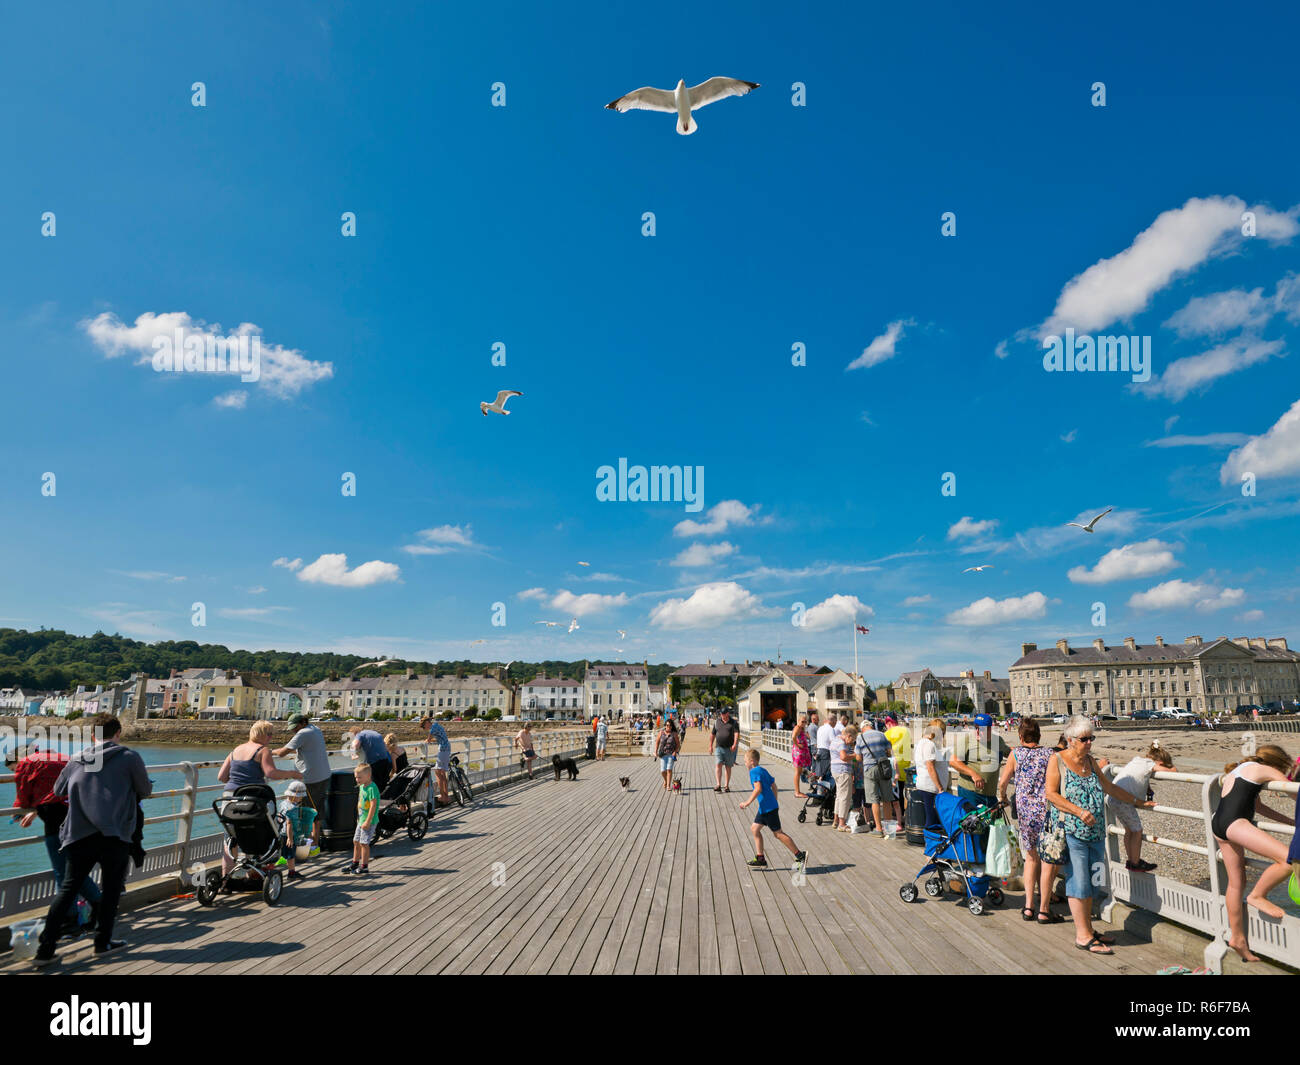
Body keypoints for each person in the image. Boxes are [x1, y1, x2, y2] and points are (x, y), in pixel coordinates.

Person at [33, 715, 152, 967]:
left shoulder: (77, 758)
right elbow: (145, 790)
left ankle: (45, 950)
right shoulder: (129, 757)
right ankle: (102, 943)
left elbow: (58, 791)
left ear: (92, 735)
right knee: (110, 890)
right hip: (115, 833)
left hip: (79, 834)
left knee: (68, 888)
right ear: (118, 732)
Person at [1045, 716, 1152, 956]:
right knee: (1079, 881)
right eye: (1084, 739)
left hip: (1095, 833)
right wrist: (1079, 812)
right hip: (1072, 831)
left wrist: (1138, 802)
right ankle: (1082, 936)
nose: (1089, 743)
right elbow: (1051, 794)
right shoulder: (1058, 760)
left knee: (1093, 881)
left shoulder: (1091, 762)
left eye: (1091, 738)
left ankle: (1089, 929)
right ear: (1071, 741)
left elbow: (1110, 788)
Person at [1210, 744, 1296, 962]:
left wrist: (1290, 821)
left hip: (1219, 825)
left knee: (1235, 883)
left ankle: (1237, 939)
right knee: (1287, 860)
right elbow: (1293, 791)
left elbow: (1259, 807)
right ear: (1277, 762)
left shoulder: (1239, 770)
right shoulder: (1266, 770)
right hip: (1235, 823)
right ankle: (1258, 895)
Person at [8, 743, 104, 937]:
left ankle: (75, 918)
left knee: (64, 872)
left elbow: (23, 799)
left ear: (18, 760)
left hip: (56, 819)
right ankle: (95, 911)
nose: (14, 772)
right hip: (81, 815)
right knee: (73, 869)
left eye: (13, 769)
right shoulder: (60, 757)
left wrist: (20, 812)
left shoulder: (26, 764)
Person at [997, 718, 1062, 924]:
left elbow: (1003, 781)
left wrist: (1003, 797)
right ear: (1039, 735)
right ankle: (1044, 910)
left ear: (1021, 736)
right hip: (1046, 811)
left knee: (1031, 858)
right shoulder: (1049, 754)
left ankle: (1028, 907)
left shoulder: (1015, 753)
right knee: (1047, 860)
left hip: (1025, 813)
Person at [1109, 742, 1176, 871]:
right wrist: (1171, 767)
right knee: (1137, 831)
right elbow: (1172, 771)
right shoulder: (1150, 764)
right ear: (1160, 762)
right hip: (1124, 800)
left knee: (1129, 830)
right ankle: (1135, 862)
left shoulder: (1137, 760)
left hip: (1113, 798)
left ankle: (1131, 860)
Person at [739, 748, 807, 870]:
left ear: (752, 761)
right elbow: (774, 786)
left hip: (768, 808)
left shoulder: (754, 771)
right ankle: (760, 859)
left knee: (778, 834)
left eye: (745, 761)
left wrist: (747, 803)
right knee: (755, 829)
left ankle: (800, 855)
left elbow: (758, 788)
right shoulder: (763, 770)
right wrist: (774, 800)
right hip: (766, 807)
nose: (745, 763)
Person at [913, 719, 984, 830]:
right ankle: (931, 843)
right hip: (930, 788)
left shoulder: (921, 742)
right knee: (932, 819)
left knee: (932, 816)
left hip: (925, 786)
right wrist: (940, 788)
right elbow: (930, 767)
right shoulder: (929, 745)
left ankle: (932, 841)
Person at [274, 713, 330, 847]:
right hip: (323, 776)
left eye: (295, 727)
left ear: (303, 722)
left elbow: (282, 752)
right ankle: (315, 843)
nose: (293, 730)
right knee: (317, 811)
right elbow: (307, 749)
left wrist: (267, 751)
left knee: (306, 812)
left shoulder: (303, 733)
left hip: (310, 779)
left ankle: (308, 844)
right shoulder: (315, 729)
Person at [856, 720, 903, 838]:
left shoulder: (860, 737)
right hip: (884, 769)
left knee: (874, 800)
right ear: (871, 726)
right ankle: (888, 829)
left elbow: (858, 758)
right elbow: (889, 751)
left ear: (863, 729)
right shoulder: (881, 734)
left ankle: (878, 829)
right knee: (887, 799)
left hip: (869, 770)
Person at [347, 763, 380, 876]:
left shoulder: (372, 788)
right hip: (361, 820)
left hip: (368, 821)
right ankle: (355, 862)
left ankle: (364, 866)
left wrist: (368, 821)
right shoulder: (362, 786)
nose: (357, 779)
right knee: (356, 841)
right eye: (356, 777)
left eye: (359, 777)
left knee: (364, 843)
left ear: (368, 775)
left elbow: (373, 806)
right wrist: (359, 818)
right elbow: (360, 802)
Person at [278, 780, 313, 880]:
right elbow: (289, 823)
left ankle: (276, 868)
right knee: (291, 855)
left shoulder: (283, 803)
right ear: (295, 796)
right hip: (289, 834)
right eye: (300, 796)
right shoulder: (292, 808)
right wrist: (290, 838)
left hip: (281, 832)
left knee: (283, 853)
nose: (301, 798)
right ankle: (291, 872)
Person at [347, 726, 392, 790]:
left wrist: (353, 754)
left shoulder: (359, 735)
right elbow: (384, 745)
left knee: (373, 786)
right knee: (383, 785)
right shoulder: (372, 732)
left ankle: (374, 799)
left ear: (354, 733)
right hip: (386, 761)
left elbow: (355, 744)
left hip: (375, 764)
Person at [419, 715, 452, 803]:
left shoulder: (432, 728)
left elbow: (428, 740)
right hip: (447, 748)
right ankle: (446, 796)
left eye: (423, 726)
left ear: (426, 723)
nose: (424, 728)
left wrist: (426, 741)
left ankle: (443, 797)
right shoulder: (437, 725)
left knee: (437, 772)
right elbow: (440, 738)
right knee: (443, 774)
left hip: (443, 750)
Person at [830, 724, 857, 831]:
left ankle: (836, 820)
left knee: (839, 796)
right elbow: (843, 757)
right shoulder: (842, 743)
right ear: (848, 736)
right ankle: (842, 823)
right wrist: (855, 755)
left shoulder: (835, 740)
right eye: (852, 739)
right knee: (844, 797)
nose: (852, 742)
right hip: (843, 771)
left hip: (835, 771)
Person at [710, 706, 740, 792]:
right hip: (718, 747)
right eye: (721, 714)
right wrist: (710, 745)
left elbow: (736, 734)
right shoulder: (717, 722)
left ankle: (726, 786)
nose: (722, 716)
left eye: (724, 714)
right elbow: (713, 734)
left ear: (727, 713)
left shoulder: (733, 722)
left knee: (728, 767)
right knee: (718, 765)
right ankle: (718, 784)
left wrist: (735, 744)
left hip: (729, 748)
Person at [791, 712, 813, 799]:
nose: (804, 723)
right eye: (802, 721)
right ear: (798, 721)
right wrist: (798, 745)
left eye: (805, 722)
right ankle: (797, 792)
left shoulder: (802, 728)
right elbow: (793, 737)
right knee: (797, 772)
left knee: (799, 772)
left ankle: (798, 791)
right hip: (798, 753)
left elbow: (806, 736)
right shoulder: (797, 728)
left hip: (800, 752)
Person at [657, 719, 680, 791]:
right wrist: (655, 751)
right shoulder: (661, 732)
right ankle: (666, 781)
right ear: (665, 726)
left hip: (671, 753)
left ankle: (668, 785)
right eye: (667, 725)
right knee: (663, 771)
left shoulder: (674, 734)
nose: (668, 727)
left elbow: (678, 744)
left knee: (669, 769)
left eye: (670, 726)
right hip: (663, 754)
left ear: (672, 726)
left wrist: (675, 752)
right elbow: (657, 742)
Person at [815, 714, 837, 782]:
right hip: (826, 752)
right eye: (835, 722)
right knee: (825, 773)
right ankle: (823, 791)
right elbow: (833, 743)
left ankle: (819, 790)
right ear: (833, 721)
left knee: (820, 773)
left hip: (819, 751)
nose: (835, 724)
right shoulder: (830, 729)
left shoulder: (820, 728)